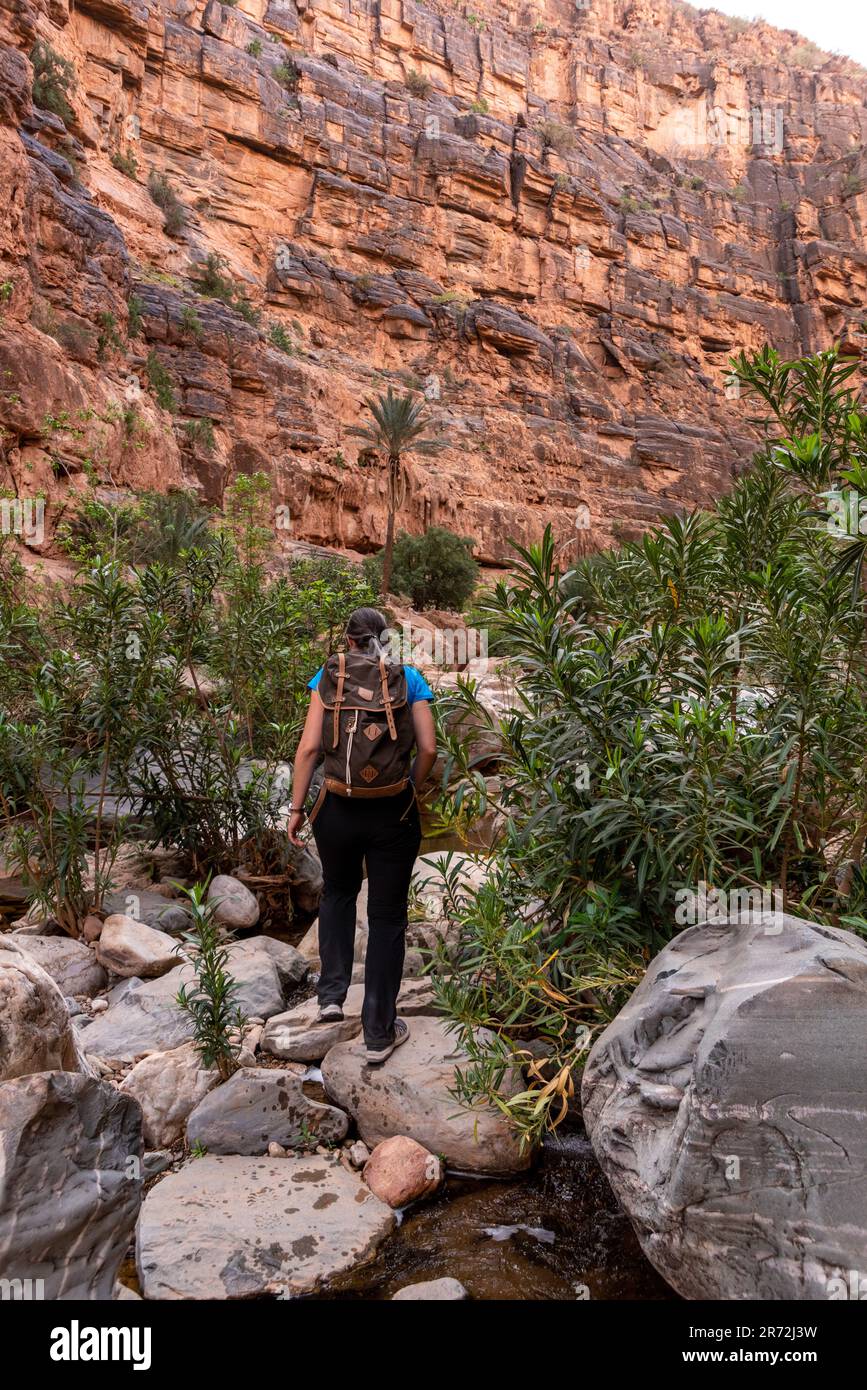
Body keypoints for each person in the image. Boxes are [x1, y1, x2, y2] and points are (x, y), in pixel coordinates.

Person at [287, 607, 437, 1064]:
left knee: (337, 893)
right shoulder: (408, 678)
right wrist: (410, 786)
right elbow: (429, 748)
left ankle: (331, 996)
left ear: (347, 640)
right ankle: (378, 1033)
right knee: (388, 917)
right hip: (392, 810)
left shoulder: (327, 675)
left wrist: (296, 808)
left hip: (336, 808)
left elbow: (310, 747)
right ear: (384, 639)